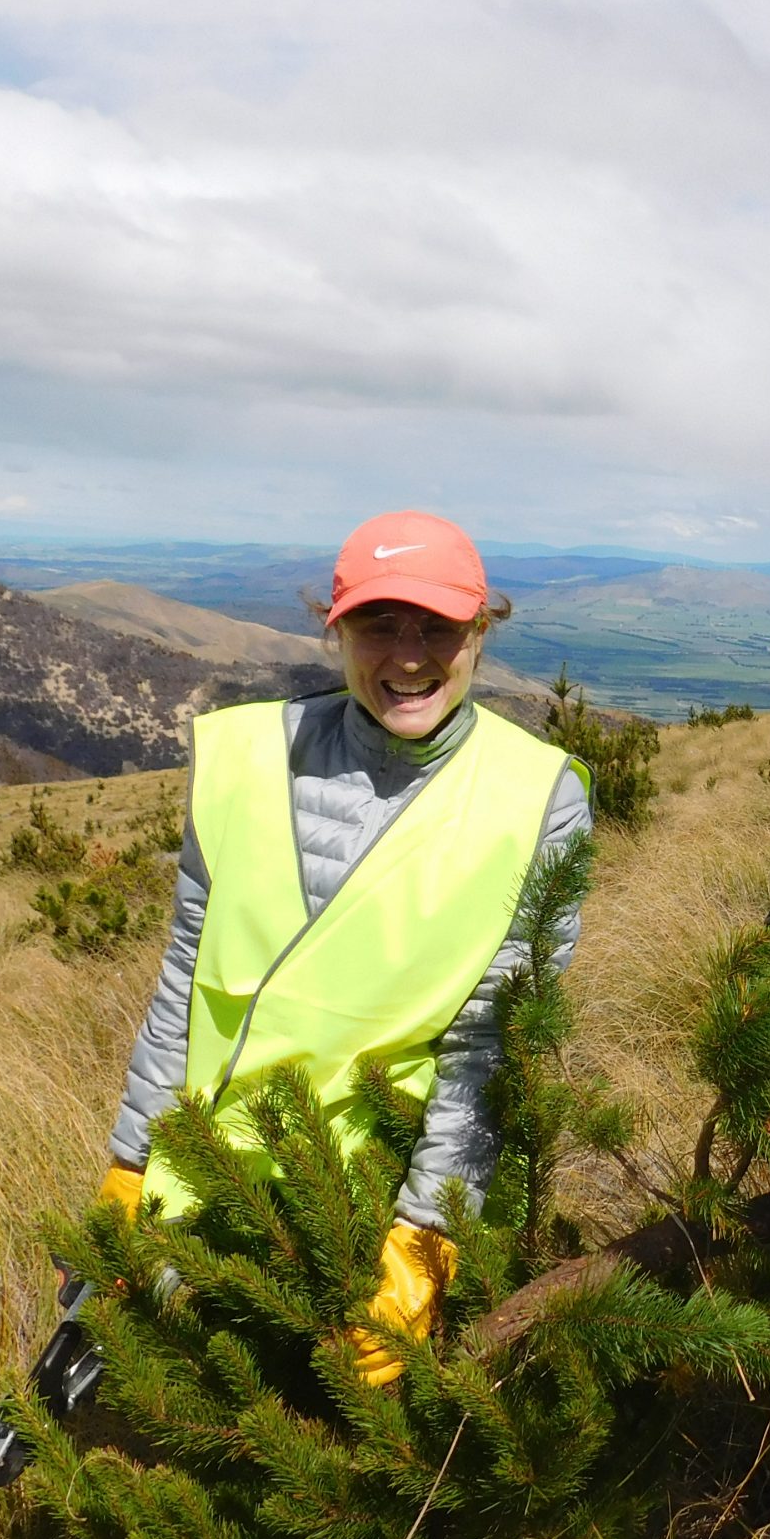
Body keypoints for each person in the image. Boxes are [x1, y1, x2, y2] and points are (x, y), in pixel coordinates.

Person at [99, 510, 590, 1383]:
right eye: (379, 623)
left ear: (481, 631)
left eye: (437, 625)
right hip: (210, 1178)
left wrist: (428, 1235)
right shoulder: (244, 756)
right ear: (336, 632)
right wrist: (132, 1160)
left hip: (375, 1200)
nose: (408, 654)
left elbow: (492, 1043)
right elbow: (183, 981)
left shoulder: (538, 798)